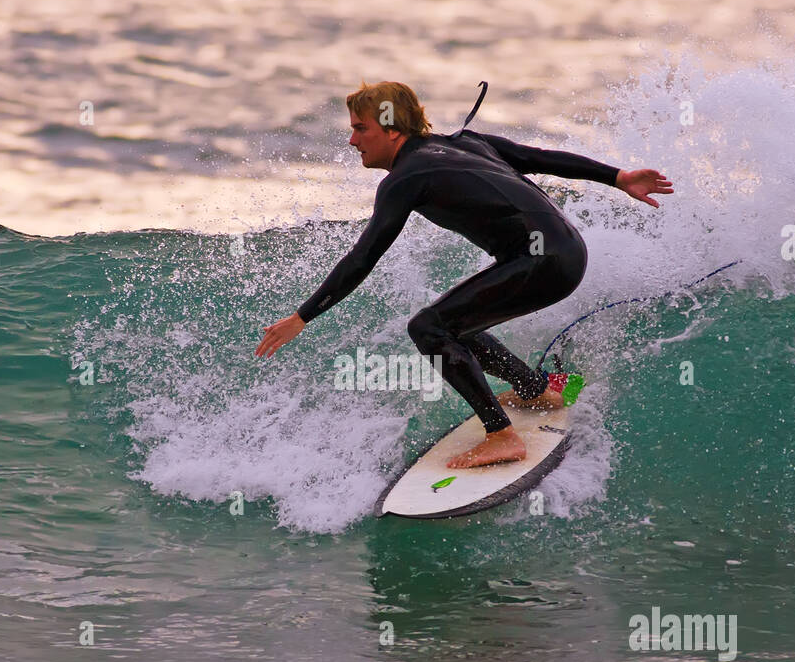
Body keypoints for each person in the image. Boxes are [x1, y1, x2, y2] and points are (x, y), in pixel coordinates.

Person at [255, 80, 672, 468]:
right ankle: (536, 391)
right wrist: (617, 177)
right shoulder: (467, 143)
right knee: (454, 324)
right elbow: (541, 159)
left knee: (428, 327)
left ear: (391, 129)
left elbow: (363, 258)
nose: (352, 140)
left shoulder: (405, 178)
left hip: (541, 263)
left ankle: (502, 436)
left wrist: (302, 317)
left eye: (360, 129)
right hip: (565, 251)